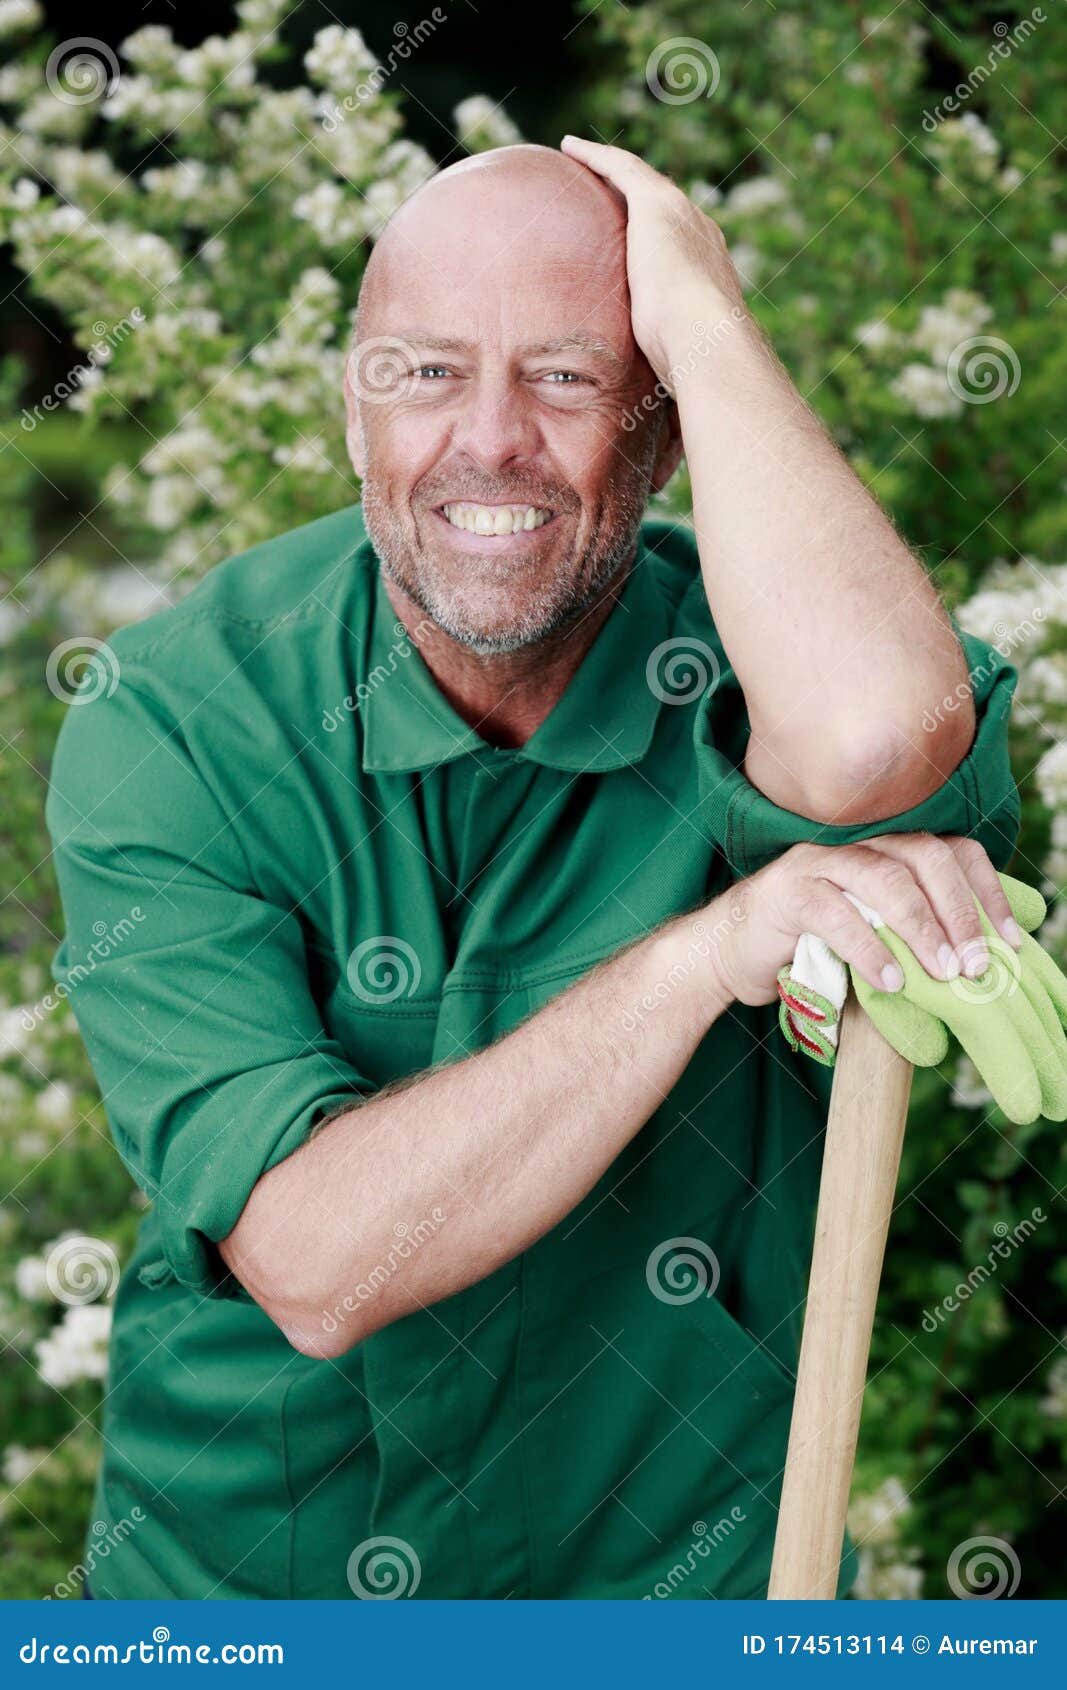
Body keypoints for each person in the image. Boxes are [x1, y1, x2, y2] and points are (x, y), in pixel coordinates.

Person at [45, 142, 1022, 1599]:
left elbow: (882, 734)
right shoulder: (184, 717)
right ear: (354, 409)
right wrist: (700, 958)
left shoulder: (761, 675)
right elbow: (321, 1263)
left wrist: (701, 315)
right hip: (253, 1592)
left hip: (655, 1586)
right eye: (426, 373)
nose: (489, 439)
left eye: (568, 378)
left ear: (666, 433)